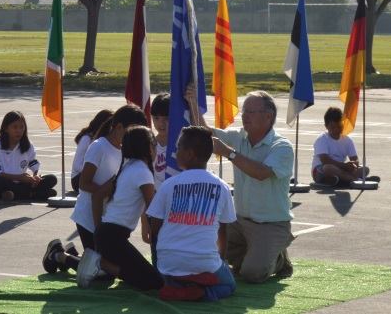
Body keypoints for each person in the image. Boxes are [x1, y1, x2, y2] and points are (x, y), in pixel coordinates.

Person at [194, 89, 295, 283]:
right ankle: (258, 254)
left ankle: (279, 259)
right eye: (244, 111)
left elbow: (261, 173)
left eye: (250, 111)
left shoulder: (281, 147)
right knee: (207, 245)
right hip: (240, 222)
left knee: (252, 274)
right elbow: (206, 134)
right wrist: (192, 101)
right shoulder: (239, 137)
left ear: (268, 116)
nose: (244, 116)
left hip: (270, 224)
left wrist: (229, 153)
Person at [42, 103, 147, 274]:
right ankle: (59, 255)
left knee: (112, 266)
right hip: (88, 217)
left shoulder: (125, 150)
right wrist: (108, 191)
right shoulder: (99, 146)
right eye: (131, 131)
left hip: (108, 219)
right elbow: (84, 183)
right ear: (119, 127)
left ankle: (76, 254)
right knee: (102, 272)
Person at [147, 126, 236, 302]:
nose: (175, 151)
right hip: (204, 261)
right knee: (228, 285)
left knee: (173, 272)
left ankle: (178, 284)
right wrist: (221, 260)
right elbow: (223, 231)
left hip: (167, 262)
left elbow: (155, 226)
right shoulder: (222, 187)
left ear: (190, 154)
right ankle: (202, 291)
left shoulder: (168, 185)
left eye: (178, 147)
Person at [75, 125, 164, 290]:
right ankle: (99, 262)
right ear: (148, 149)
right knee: (154, 281)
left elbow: (97, 196)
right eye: (154, 145)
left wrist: (98, 230)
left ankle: (100, 262)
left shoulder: (126, 168)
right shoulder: (142, 172)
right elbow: (153, 209)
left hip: (107, 234)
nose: (156, 149)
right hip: (113, 236)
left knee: (135, 273)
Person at [0, 111, 57, 201]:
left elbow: (34, 164)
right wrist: (20, 178)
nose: (19, 131)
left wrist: (35, 177)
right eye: (15, 127)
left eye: (22, 127)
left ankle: (16, 194)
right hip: (5, 183)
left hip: (23, 183)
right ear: (6, 128)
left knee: (52, 179)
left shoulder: (27, 145)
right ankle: (31, 194)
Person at [311, 106, 378, 186]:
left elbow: (355, 159)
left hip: (341, 169)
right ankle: (356, 180)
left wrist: (353, 164)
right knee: (328, 168)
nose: (336, 130)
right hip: (321, 170)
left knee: (364, 169)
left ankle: (340, 180)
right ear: (326, 126)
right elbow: (325, 160)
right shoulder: (322, 139)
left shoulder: (347, 140)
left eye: (339, 127)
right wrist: (344, 166)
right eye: (333, 127)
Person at [70, 109, 113, 193]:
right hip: (79, 179)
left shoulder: (105, 139)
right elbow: (77, 165)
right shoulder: (87, 138)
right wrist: (94, 171)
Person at [151, 93, 170, 189]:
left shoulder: (180, 144)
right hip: (156, 196)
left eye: (166, 118)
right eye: (156, 118)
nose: (161, 123)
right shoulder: (150, 144)